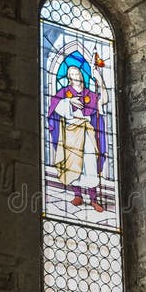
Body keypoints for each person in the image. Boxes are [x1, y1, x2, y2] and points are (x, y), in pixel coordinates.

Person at [47, 64, 108, 212]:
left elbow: (104, 100)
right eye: (73, 74)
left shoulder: (89, 93)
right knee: (73, 163)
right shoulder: (64, 92)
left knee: (90, 162)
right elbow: (53, 106)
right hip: (71, 133)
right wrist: (69, 102)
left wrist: (100, 81)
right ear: (69, 78)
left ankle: (93, 198)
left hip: (87, 131)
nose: (76, 76)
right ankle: (77, 195)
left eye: (78, 73)